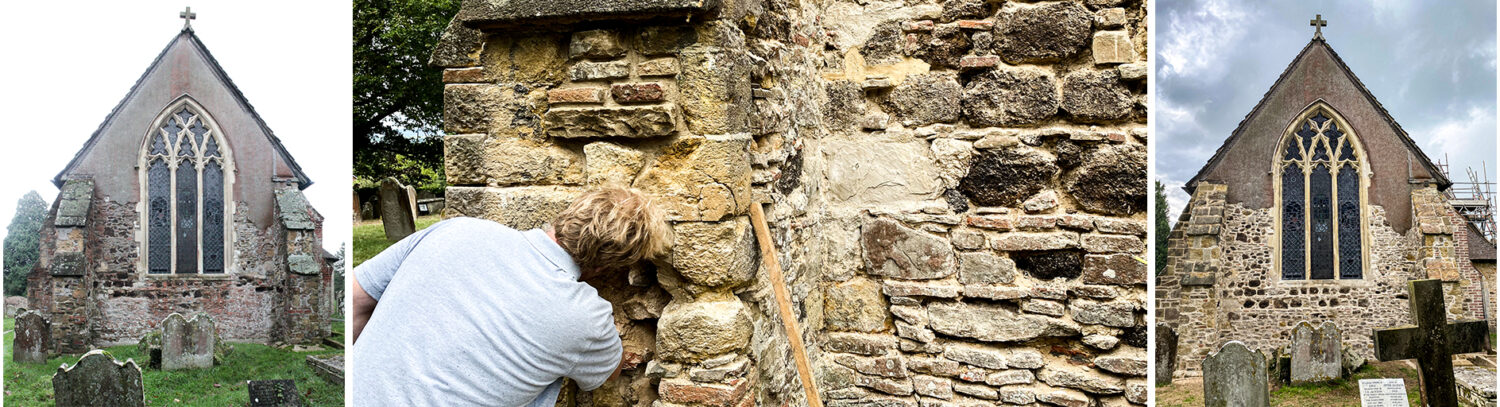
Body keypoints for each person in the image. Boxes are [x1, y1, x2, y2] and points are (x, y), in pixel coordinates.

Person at [350, 188, 672, 406]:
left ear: (572, 213)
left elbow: (355, 300)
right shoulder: (587, 317)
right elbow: (609, 371)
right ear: (608, 267)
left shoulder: (456, 230)